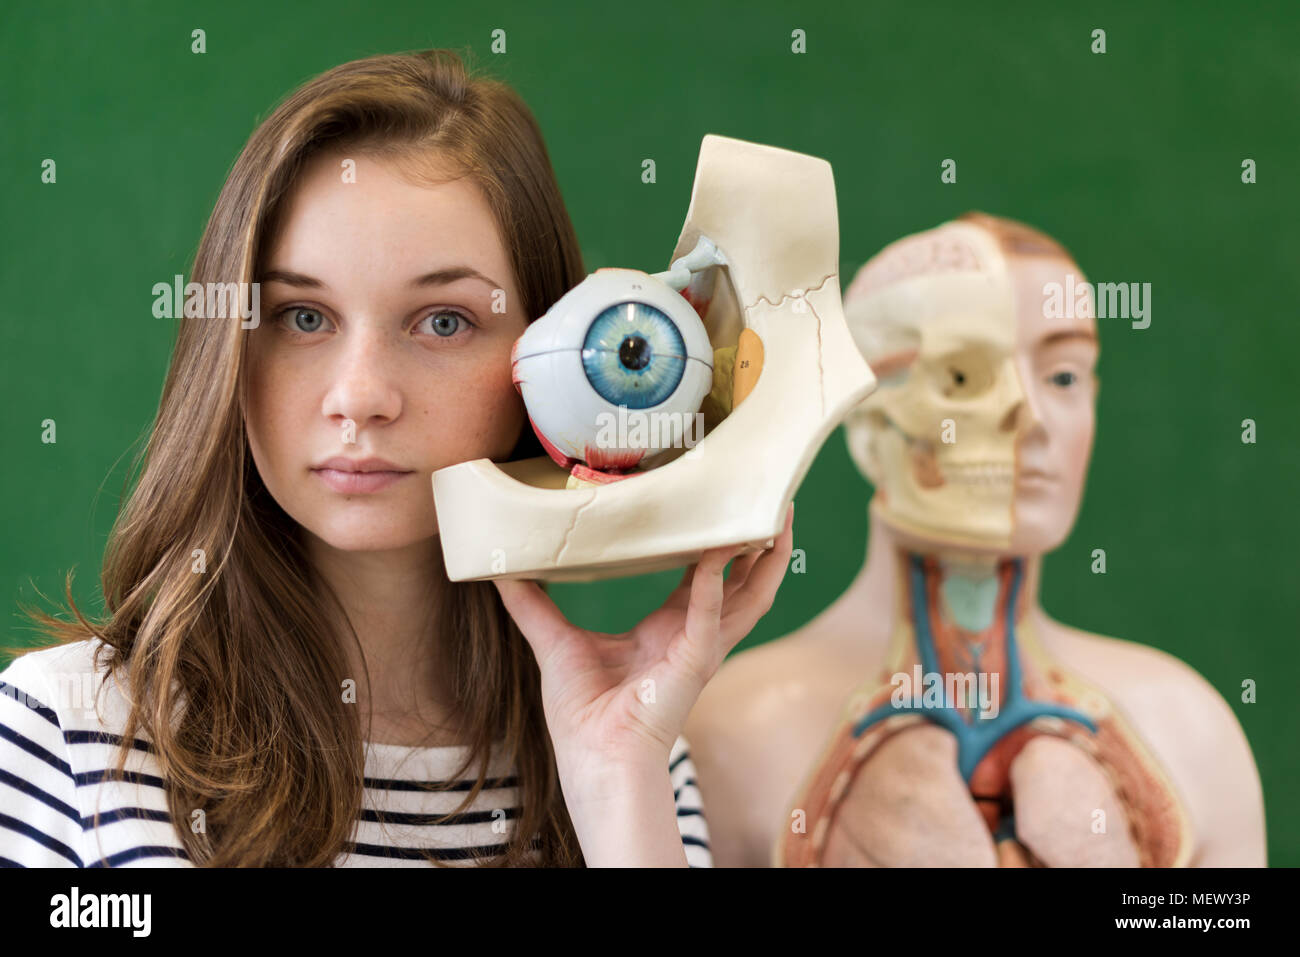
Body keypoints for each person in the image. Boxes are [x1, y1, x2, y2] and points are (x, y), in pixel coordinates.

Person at [0, 49, 793, 868]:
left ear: (549, 359)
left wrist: (613, 775)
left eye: (443, 321)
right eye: (303, 317)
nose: (362, 396)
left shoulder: (634, 754)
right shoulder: (65, 736)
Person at [684, 212, 1265, 867]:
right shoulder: (735, 731)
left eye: (1064, 376)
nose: (1033, 415)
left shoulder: (1189, 727)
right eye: (960, 378)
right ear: (868, 421)